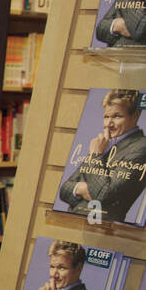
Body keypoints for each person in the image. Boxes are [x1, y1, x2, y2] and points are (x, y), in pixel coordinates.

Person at [57, 89, 146, 221]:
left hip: (106, 230)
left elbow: (103, 194)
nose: (108, 124)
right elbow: (64, 190)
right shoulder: (105, 142)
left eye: (117, 116)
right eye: (106, 117)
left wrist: (95, 155)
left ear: (135, 116)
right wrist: (82, 188)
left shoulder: (141, 147)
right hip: (76, 223)